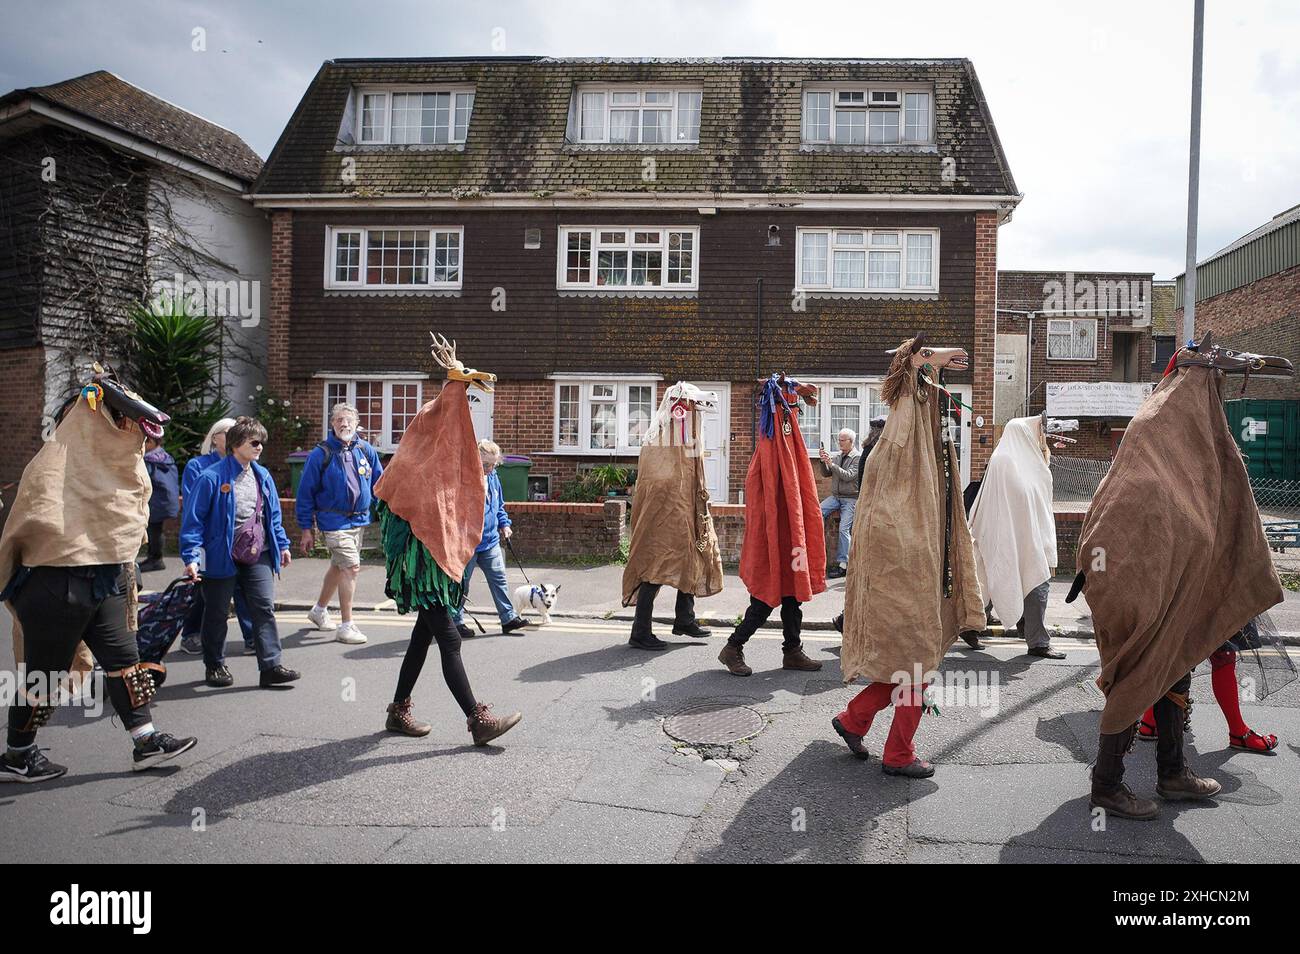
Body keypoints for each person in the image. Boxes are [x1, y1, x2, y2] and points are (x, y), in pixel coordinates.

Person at [1073, 333, 1292, 819]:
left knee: (1175, 667)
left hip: (1161, 579)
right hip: (1134, 582)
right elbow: (1135, 511)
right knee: (1138, 673)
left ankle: (1173, 772)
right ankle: (1106, 786)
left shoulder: (1177, 430)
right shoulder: (1163, 430)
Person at [0, 372, 196, 781]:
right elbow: (34, 520)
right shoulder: (55, 461)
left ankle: (146, 739)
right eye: (121, 420)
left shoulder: (120, 464)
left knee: (126, 663)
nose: (131, 431)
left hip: (105, 582)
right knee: (45, 674)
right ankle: (18, 754)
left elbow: (122, 523)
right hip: (56, 586)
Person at [835, 337, 984, 778]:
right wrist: (927, 365)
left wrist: (932, 366)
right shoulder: (898, 445)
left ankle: (853, 720)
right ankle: (898, 754)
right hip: (903, 573)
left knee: (907, 660)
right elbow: (910, 389)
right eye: (924, 378)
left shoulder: (910, 445)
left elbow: (917, 391)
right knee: (916, 662)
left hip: (910, 569)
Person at [376, 334, 520, 744]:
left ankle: (397, 711)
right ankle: (478, 720)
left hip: (440, 565)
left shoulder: (446, 452)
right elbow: (396, 506)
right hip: (422, 567)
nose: (467, 414)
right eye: (465, 402)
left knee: (423, 638)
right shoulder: (418, 449)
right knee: (450, 639)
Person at [181, 417, 299, 689]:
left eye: (261, 442)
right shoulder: (211, 477)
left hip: (259, 552)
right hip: (220, 555)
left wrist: (282, 545)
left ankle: (270, 666)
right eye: (254, 442)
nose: (260, 447)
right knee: (217, 611)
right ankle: (215, 665)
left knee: (264, 608)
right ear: (236, 444)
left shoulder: (262, 475)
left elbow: (273, 516)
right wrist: (192, 558)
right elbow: (193, 521)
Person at [719, 373, 825, 677]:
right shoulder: (769, 449)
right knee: (766, 599)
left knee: (793, 595)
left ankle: (792, 651)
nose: (797, 412)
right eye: (792, 406)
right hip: (771, 542)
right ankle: (733, 647)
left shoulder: (789, 448)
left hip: (789, 541)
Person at [622, 383, 723, 650]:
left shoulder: (684, 438)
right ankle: (640, 631)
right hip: (662, 517)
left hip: (684, 511)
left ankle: (684, 619)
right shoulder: (663, 439)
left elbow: (689, 472)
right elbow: (662, 481)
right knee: (655, 568)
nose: (693, 414)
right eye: (690, 408)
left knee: (690, 558)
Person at [968, 415, 1065, 660]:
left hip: (1028, 534)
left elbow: (1035, 496)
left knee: (1013, 580)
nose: (1039, 438)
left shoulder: (1029, 461)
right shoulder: (1004, 461)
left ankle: (1027, 633)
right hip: (1005, 532)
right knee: (998, 579)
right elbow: (1012, 498)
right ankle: (1036, 641)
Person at [297, 403, 384, 645]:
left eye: (348, 420)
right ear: (332, 424)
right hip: (333, 521)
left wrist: (389, 510)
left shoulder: (366, 450)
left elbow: (379, 484)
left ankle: (319, 610)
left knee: (338, 566)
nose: (344, 424)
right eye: (338, 420)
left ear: (357, 424)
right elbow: (305, 494)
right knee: (351, 567)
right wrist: (306, 529)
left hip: (359, 520)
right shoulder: (320, 454)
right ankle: (347, 626)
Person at [177, 418, 255, 656]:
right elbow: (193, 507)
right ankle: (190, 634)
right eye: (228, 432)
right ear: (214, 438)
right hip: (207, 540)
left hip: (238, 540)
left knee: (242, 587)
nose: (234, 436)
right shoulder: (197, 466)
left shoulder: (245, 466)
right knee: (204, 588)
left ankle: (252, 636)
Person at [451, 440, 527, 638]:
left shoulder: (493, 477)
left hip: (490, 540)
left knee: (499, 579)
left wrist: (505, 524)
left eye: (494, 464)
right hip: (467, 543)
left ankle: (508, 619)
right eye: (486, 464)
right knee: (461, 584)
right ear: (475, 459)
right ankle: (456, 622)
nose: (490, 468)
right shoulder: (463, 478)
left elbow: (498, 505)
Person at [819, 428, 860, 579]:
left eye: (842, 440)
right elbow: (826, 473)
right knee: (817, 513)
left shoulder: (857, 457)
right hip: (836, 497)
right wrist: (824, 462)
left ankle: (843, 565)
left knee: (844, 529)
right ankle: (816, 552)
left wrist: (833, 464)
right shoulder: (838, 456)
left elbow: (849, 476)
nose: (839, 443)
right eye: (839, 440)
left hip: (850, 499)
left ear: (851, 442)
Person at [140, 434, 179, 573]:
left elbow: (143, 481)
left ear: (151, 442)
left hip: (157, 502)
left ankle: (155, 559)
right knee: (156, 530)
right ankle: (154, 557)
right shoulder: (166, 458)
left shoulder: (149, 461)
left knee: (154, 530)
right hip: (167, 501)